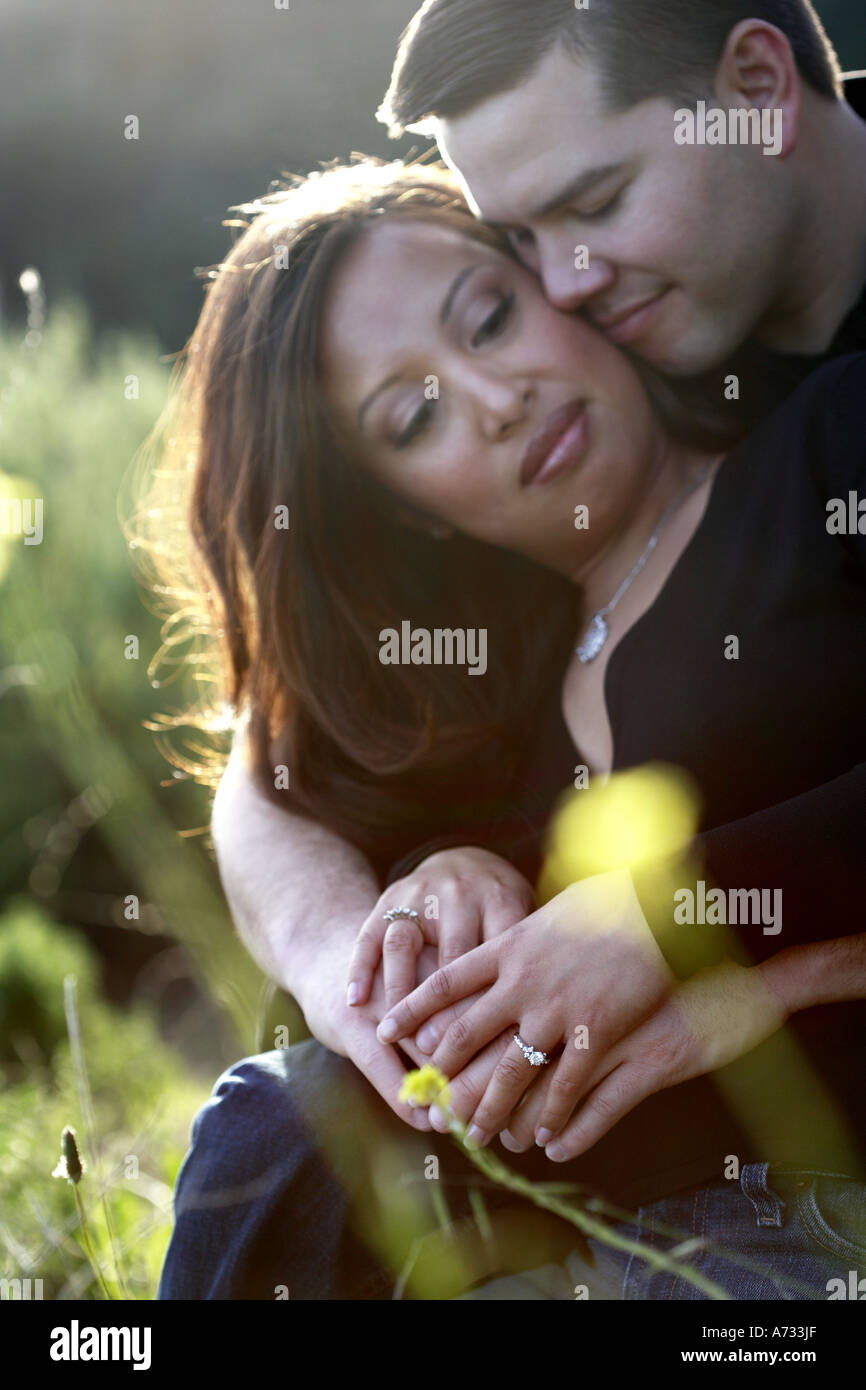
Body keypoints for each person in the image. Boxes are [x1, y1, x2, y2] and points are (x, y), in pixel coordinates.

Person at [152, 157, 866, 1299]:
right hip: (575, 1229)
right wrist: (431, 895)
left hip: (804, 1221)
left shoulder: (824, 447)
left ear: (553, 276)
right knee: (275, 1118)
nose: (496, 401)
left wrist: (696, 932)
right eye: (415, 416)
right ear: (403, 510)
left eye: (487, 319)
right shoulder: (471, 693)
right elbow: (270, 779)